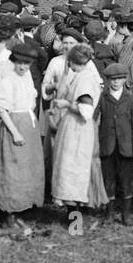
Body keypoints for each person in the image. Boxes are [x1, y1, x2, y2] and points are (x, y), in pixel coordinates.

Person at [0, 40, 45, 228]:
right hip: (14, 125)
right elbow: (3, 110)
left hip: (29, 125)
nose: (22, 67)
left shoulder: (27, 77)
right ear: (13, 61)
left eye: (26, 63)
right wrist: (15, 133)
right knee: (13, 169)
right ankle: (9, 212)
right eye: (19, 63)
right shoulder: (8, 80)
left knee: (28, 167)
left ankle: (26, 206)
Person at [49, 43, 109, 212]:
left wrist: (66, 104)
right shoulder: (80, 76)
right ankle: (74, 214)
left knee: (74, 168)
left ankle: (76, 217)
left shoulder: (85, 79)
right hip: (73, 128)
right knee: (70, 168)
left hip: (78, 129)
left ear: (74, 62)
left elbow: (86, 110)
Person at [98, 62, 133, 225]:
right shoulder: (102, 98)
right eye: (112, 79)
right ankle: (109, 213)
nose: (116, 82)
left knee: (126, 180)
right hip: (107, 145)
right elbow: (96, 119)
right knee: (108, 178)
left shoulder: (130, 99)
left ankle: (126, 213)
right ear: (107, 80)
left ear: (125, 80)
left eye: (119, 79)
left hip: (126, 146)